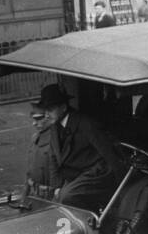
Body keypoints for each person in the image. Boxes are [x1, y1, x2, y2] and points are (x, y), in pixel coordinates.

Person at [34, 83, 123, 212]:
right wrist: (56, 188)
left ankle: (91, 224)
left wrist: (123, 189)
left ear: (64, 107)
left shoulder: (86, 124)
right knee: (54, 203)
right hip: (76, 178)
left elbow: (109, 155)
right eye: (45, 110)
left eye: (51, 109)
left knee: (67, 197)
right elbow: (53, 160)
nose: (46, 114)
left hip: (97, 174)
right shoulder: (55, 126)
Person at [24, 109, 59, 201]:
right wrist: (24, 197)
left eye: (39, 119)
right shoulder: (35, 138)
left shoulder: (57, 139)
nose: (34, 123)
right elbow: (29, 171)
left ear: (49, 116)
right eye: (34, 119)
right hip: (34, 193)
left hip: (50, 195)